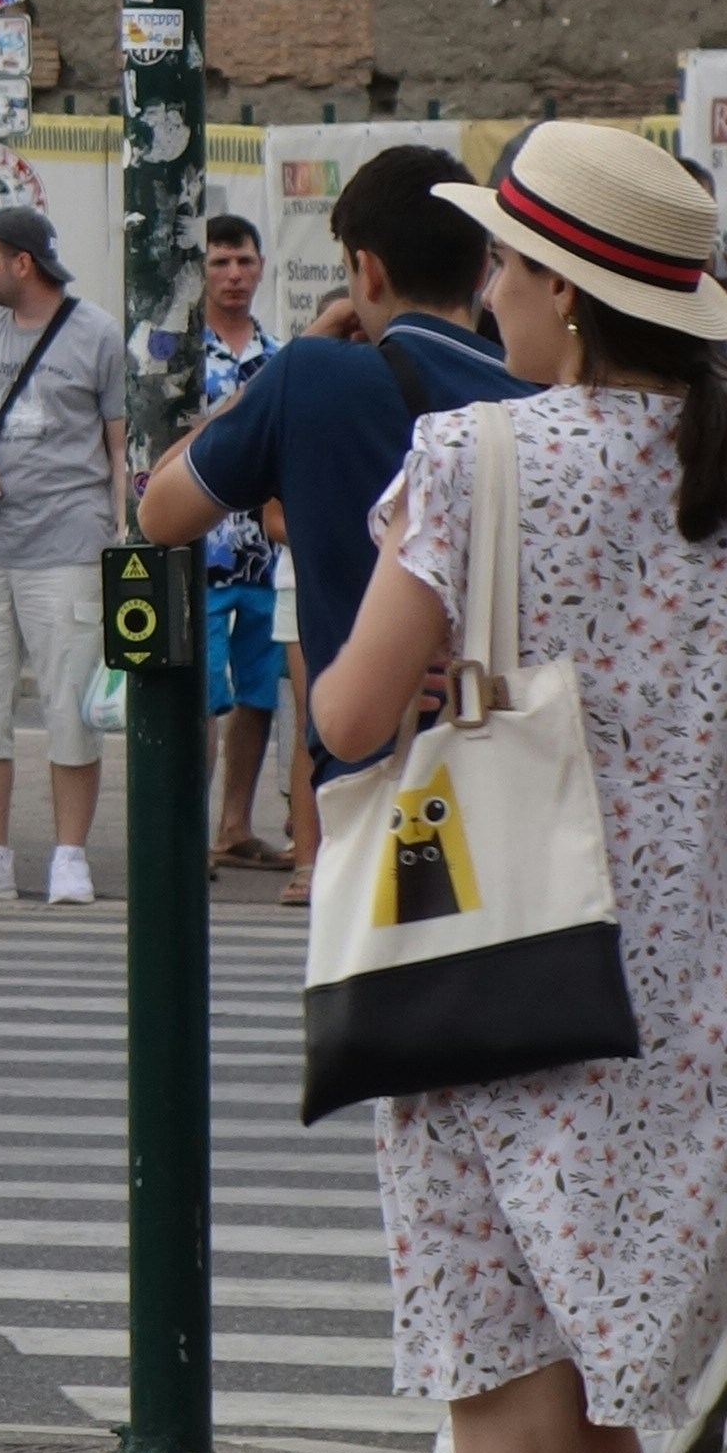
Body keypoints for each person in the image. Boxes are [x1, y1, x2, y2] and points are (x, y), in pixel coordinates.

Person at [312, 123, 727, 1453]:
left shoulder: (471, 458)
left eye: (505, 261)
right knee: (604, 1442)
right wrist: (679, 715)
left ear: (562, 291)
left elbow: (349, 713)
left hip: (497, 984)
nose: (492, 289)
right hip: (688, 1007)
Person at [141, 146, 520, 906]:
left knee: (381, 1010)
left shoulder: (312, 377)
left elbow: (161, 509)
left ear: (366, 272)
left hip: (369, 770)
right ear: (484, 270)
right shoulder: (531, 389)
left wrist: (297, 358)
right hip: (521, 774)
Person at [0, 207, 114, 905]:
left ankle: (70, 854)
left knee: (70, 703)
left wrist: (119, 529)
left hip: (67, 542)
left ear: (22, 263)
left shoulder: (96, 333)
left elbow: (120, 444)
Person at [150, 212, 297, 876]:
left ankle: (234, 826)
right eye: (219, 263)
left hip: (266, 552)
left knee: (260, 695)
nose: (234, 275)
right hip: (198, 549)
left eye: (243, 262)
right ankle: (182, 829)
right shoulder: (170, 350)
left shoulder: (279, 354)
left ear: (261, 267)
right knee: (201, 696)